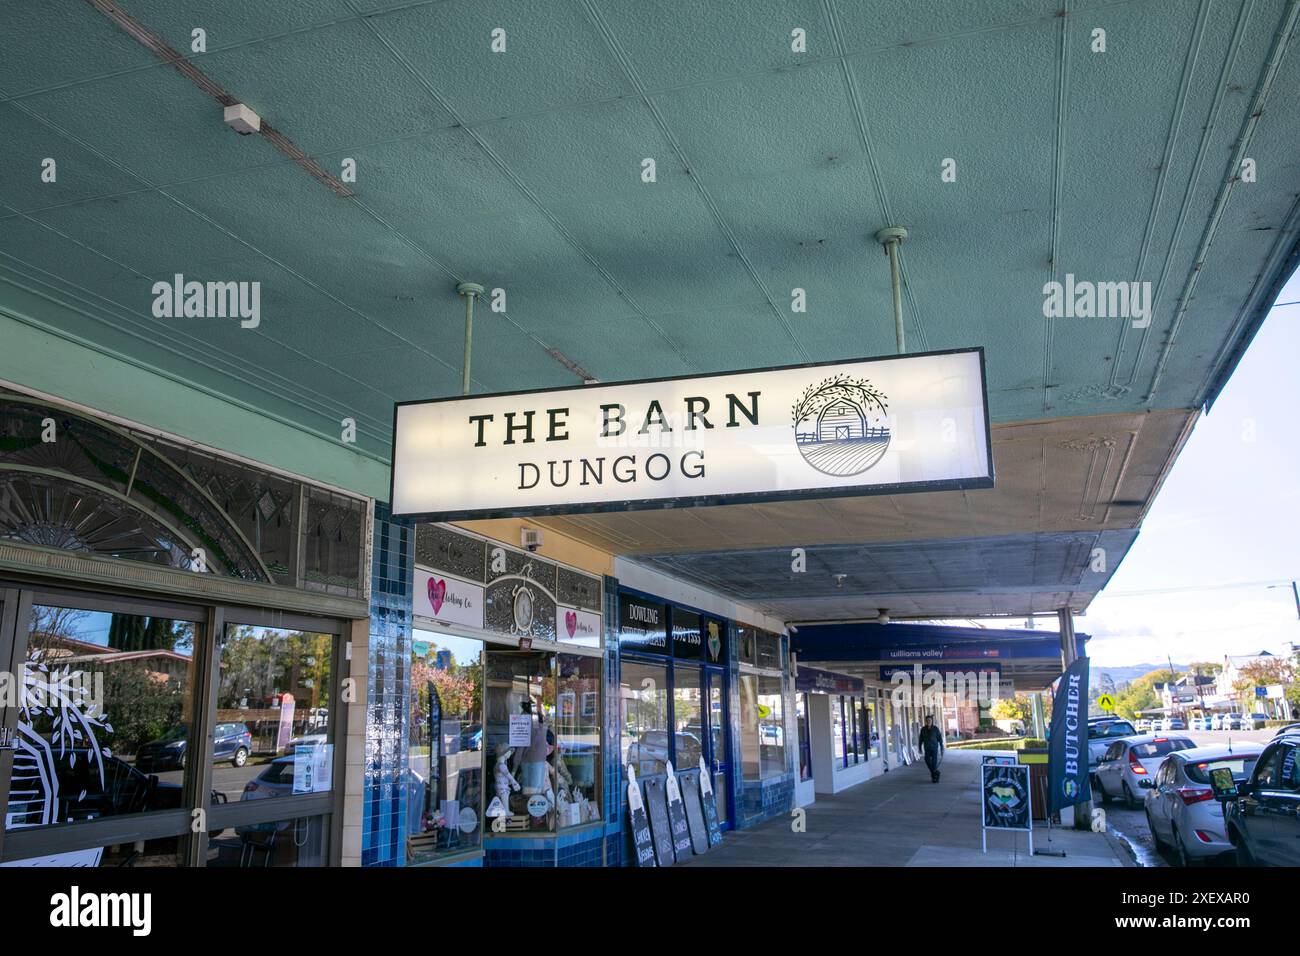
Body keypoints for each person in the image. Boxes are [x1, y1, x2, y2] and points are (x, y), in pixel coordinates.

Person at [919, 715, 944, 783]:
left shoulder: (935, 729)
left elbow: (940, 738)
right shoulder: (923, 729)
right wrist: (919, 748)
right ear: (926, 721)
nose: (928, 722)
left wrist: (942, 748)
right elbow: (921, 739)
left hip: (934, 748)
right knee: (927, 760)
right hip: (927, 748)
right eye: (927, 721)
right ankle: (936, 772)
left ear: (932, 721)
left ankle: (934, 778)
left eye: (930, 720)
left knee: (934, 763)